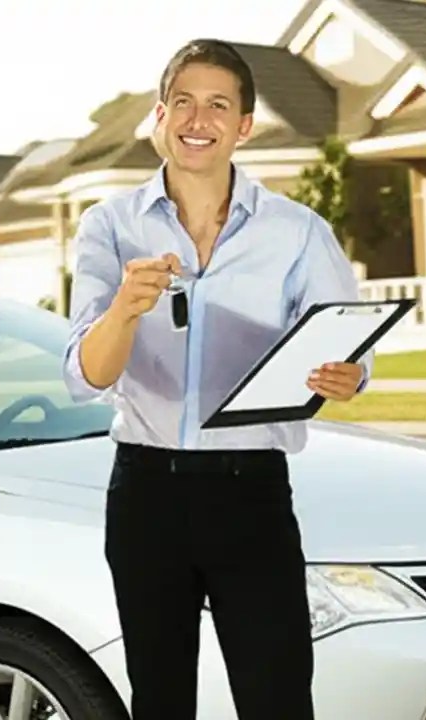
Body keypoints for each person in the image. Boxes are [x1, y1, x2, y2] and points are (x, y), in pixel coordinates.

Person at [62, 39, 371, 719]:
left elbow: (346, 347)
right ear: (158, 115)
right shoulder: (109, 227)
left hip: (250, 495)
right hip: (146, 495)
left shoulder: (299, 234)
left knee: (279, 698)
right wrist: (123, 308)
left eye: (217, 106)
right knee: (161, 700)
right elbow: (86, 377)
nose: (197, 119)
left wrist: (346, 375)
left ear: (244, 126)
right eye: (182, 102)